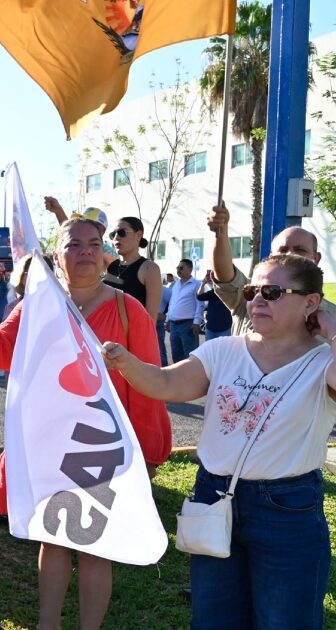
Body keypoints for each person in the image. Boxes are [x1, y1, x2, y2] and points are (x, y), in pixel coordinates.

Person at [103, 254, 334, 629]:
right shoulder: (224, 349)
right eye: (252, 290)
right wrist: (125, 361)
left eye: (272, 291)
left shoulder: (323, 361)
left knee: (286, 621)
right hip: (213, 494)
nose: (257, 300)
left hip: (287, 508)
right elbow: (165, 384)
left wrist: (333, 327)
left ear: (311, 302)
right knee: (214, 620)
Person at [0, 218, 172, 630]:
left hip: (101, 447)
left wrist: (148, 451)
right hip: (51, 447)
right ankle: (48, 625)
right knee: (54, 539)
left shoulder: (127, 308)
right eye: (74, 244)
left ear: (104, 255)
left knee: (95, 547)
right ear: (56, 256)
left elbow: (149, 382)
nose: (84, 251)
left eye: (93, 244)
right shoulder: (36, 305)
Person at [208, 201, 336, 335]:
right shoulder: (250, 294)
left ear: (316, 258)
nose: (290, 254)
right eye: (282, 250)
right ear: (270, 257)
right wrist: (221, 230)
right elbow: (224, 273)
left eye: (300, 250)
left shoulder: (331, 318)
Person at [105, 217, 163, 321]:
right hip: (105, 334)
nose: (116, 238)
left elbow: (150, 319)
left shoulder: (149, 268)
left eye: (122, 232)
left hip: (134, 334)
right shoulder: (110, 266)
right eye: (113, 234)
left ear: (138, 235)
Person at [163, 259, 205, 363]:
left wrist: (196, 322)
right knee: (176, 355)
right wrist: (168, 320)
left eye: (181, 268)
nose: (178, 270)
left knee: (190, 356)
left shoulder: (196, 284)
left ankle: (191, 379)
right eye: (177, 268)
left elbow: (200, 304)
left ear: (190, 269)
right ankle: (178, 378)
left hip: (188, 325)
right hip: (174, 325)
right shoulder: (176, 285)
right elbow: (172, 303)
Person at [196, 269, 233, 340]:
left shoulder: (230, 291)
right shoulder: (213, 292)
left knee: (224, 350)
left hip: (225, 328)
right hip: (211, 329)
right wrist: (203, 283)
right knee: (210, 350)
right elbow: (199, 296)